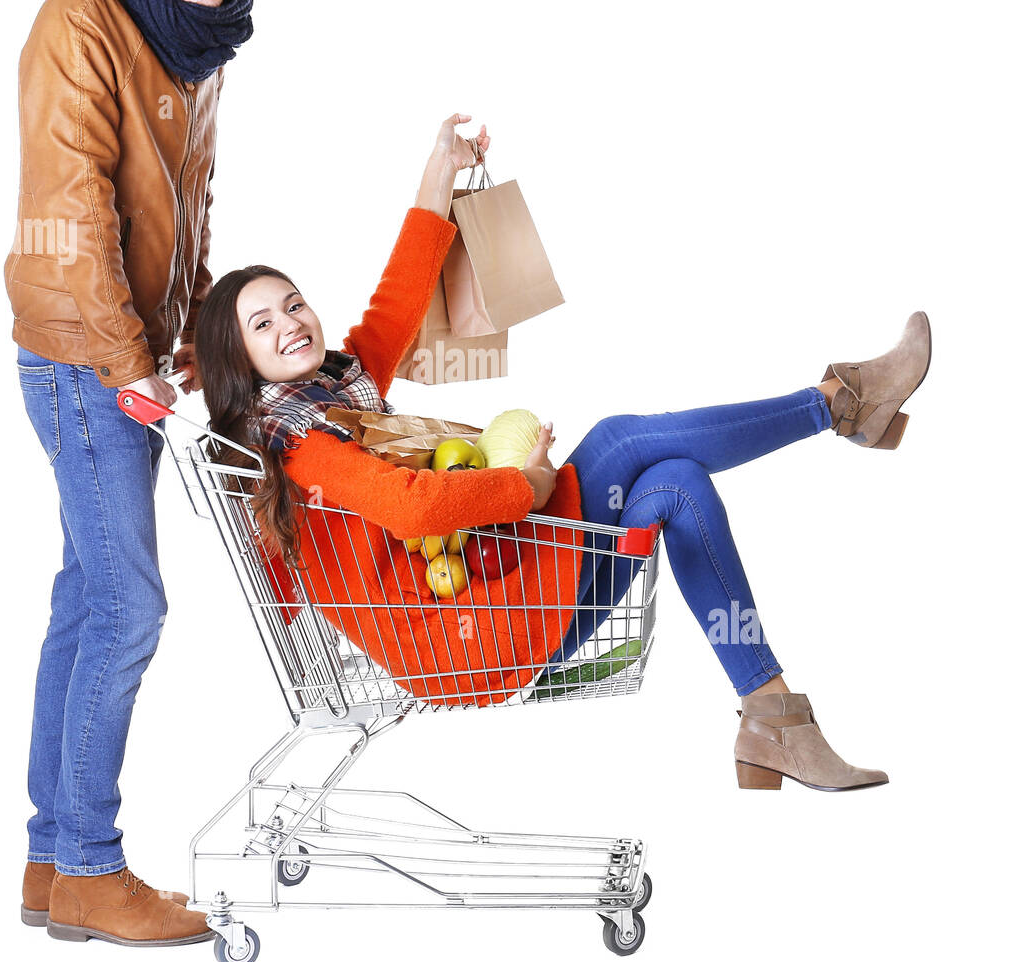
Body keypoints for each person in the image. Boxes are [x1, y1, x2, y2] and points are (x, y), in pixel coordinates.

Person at [195, 114, 931, 790]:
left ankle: (772, 718)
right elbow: (412, 508)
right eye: (262, 325)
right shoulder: (295, 444)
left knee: (676, 484)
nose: (289, 324)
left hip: (490, 587)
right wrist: (528, 484)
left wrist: (440, 168)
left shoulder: (339, 388)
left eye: (293, 304)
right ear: (240, 360)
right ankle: (840, 406)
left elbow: (398, 298)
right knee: (620, 438)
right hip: (462, 637)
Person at [6, 0, 256, 946]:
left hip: (129, 360)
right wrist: (125, 366)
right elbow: (76, 208)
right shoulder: (85, 18)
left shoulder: (193, 44)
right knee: (128, 604)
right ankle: (95, 870)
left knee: (85, 594)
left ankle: (51, 859)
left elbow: (185, 209)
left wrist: (197, 335)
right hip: (77, 356)